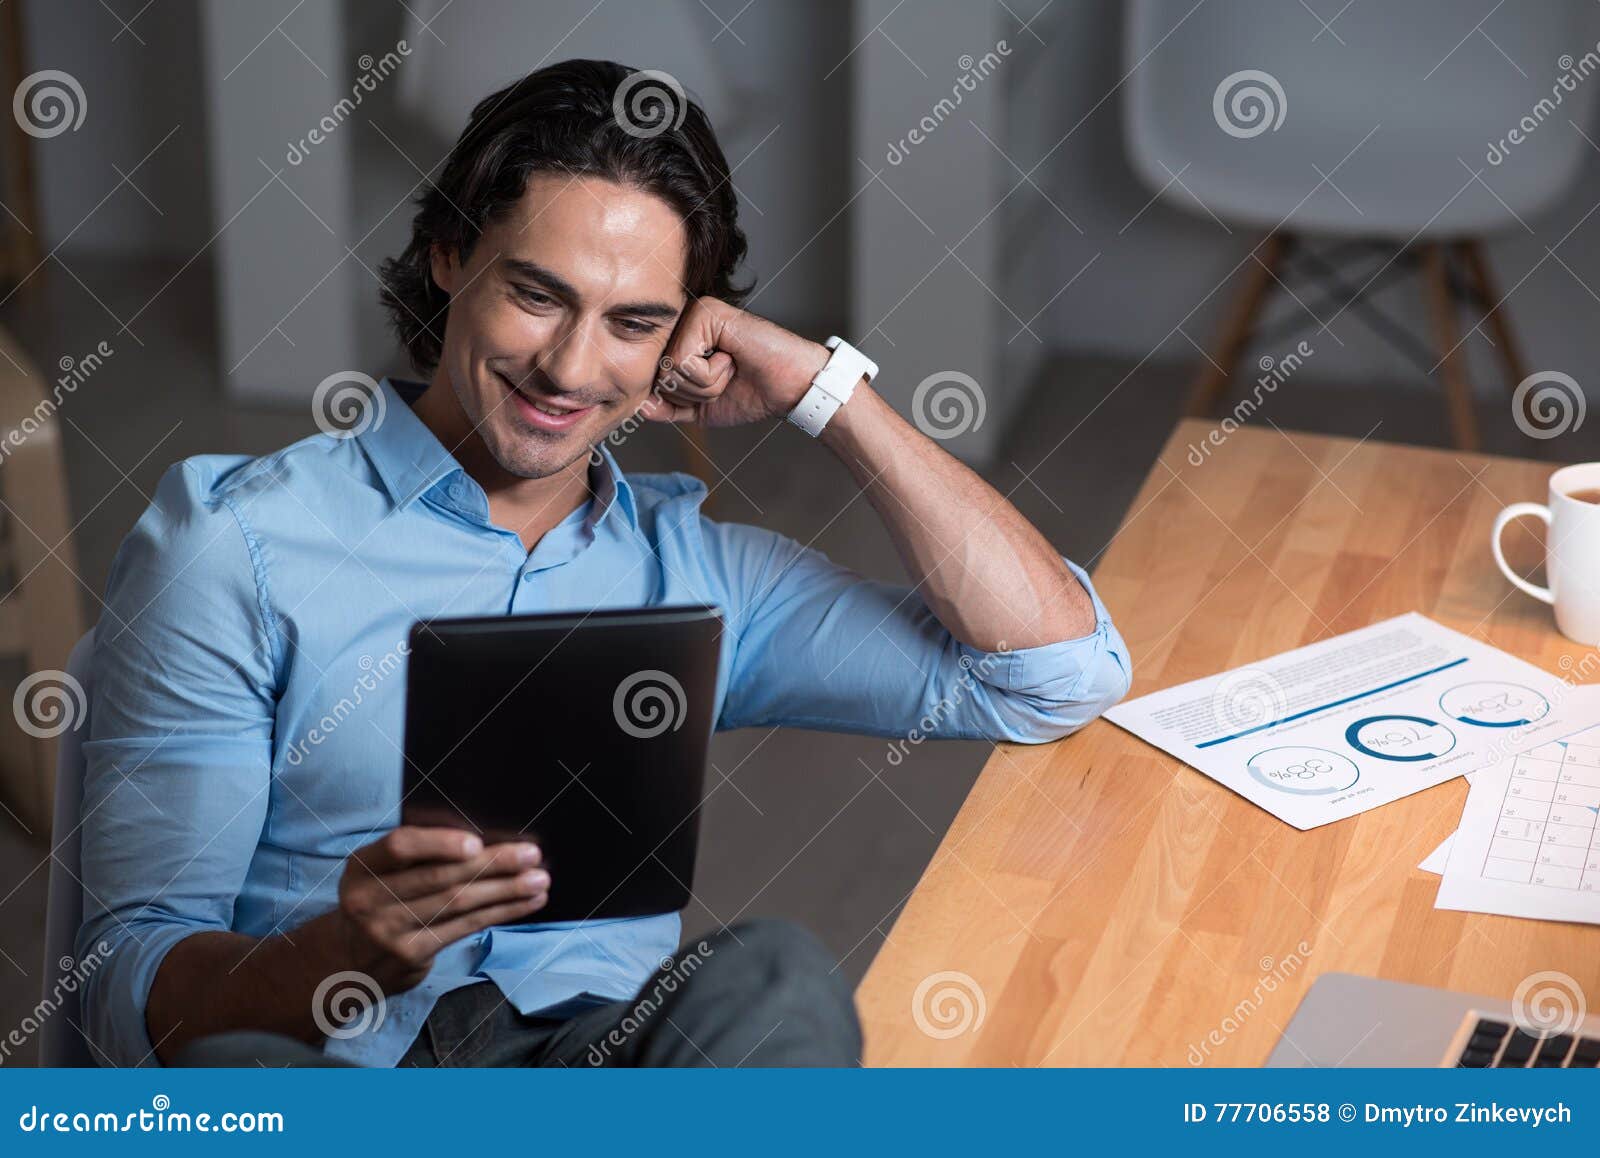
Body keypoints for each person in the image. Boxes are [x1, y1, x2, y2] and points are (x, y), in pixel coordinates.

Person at [76, 59, 1131, 1069]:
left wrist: (828, 395)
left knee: (771, 977)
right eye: (537, 295)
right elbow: (125, 993)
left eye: (633, 323)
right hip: (333, 1066)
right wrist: (338, 955)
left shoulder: (699, 575)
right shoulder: (239, 547)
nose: (573, 369)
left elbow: (1051, 671)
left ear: (688, 332)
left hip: (588, 1062)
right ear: (449, 254)